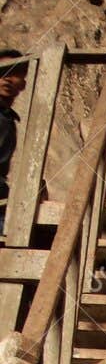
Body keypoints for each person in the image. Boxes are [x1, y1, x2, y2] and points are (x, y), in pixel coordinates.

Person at [0, 55, 30, 239]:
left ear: (23, 84)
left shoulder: (7, 119)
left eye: (15, 73)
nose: (8, 78)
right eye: (2, 72)